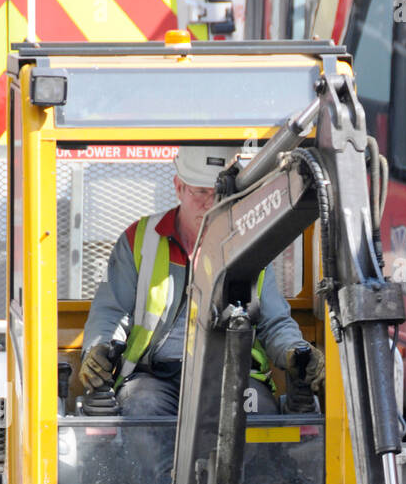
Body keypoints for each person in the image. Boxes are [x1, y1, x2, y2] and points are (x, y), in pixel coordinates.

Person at [78, 144, 324, 415]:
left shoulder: (251, 242)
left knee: (258, 412)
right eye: (201, 191)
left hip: (232, 374)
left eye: (218, 193)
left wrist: (295, 351)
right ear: (179, 187)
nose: (210, 202)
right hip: (155, 376)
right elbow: (109, 312)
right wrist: (97, 349)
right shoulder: (139, 240)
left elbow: (275, 322)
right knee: (140, 408)